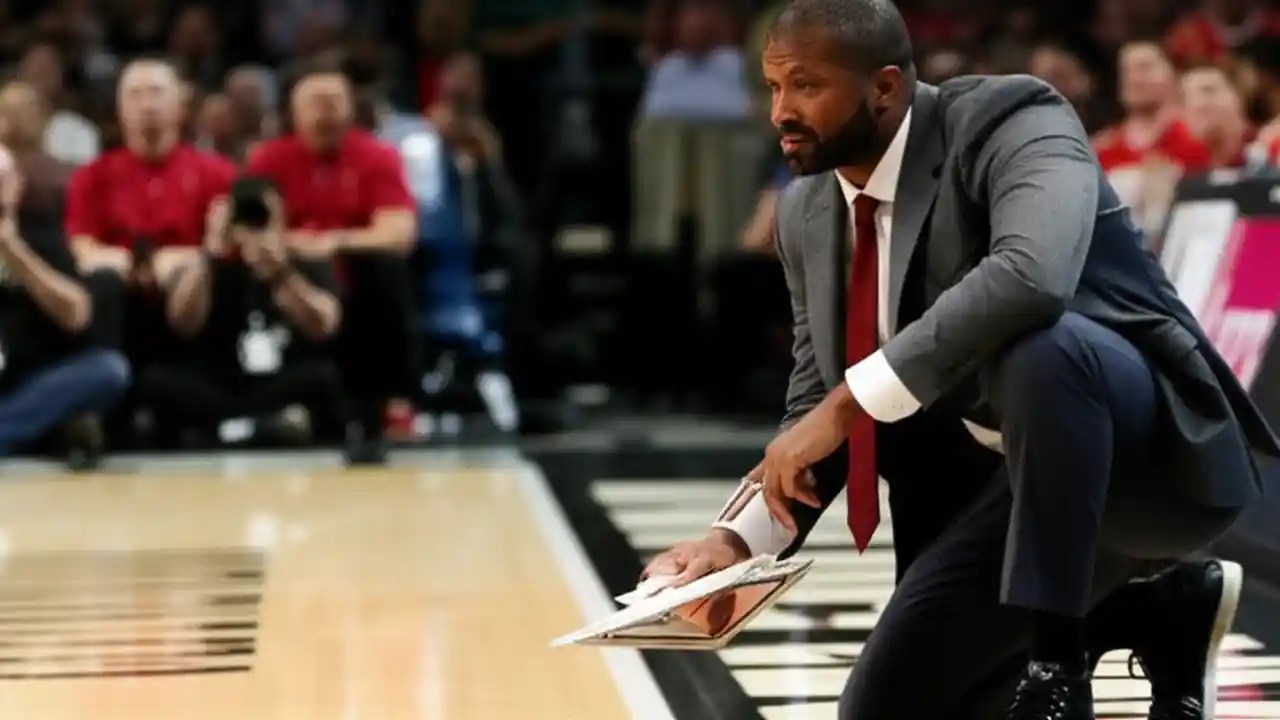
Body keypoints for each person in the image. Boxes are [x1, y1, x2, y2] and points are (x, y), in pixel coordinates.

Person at [642, 2, 1280, 719]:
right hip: (988, 490)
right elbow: (814, 402)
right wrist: (734, 539)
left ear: (884, 87)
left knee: (1045, 346)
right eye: (772, 87)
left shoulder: (1014, 120)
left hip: (1137, 455)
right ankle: (1148, 613)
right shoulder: (806, 213)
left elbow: (1031, 277)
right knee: (890, 709)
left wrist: (845, 405)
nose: (781, 111)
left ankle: (1058, 665)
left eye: (806, 86)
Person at [246, 66, 418, 463]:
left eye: (334, 102)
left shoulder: (378, 156)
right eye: (314, 103)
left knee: (386, 266)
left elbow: (399, 232)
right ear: (293, 112)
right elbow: (254, 233)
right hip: (291, 281)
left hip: (357, 283)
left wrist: (332, 242)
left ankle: (392, 402)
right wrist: (295, 248)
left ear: (351, 109)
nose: (325, 112)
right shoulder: (267, 160)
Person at [63, 58, 237, 378]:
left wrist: (184, 262)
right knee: (101, 276)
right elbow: (81, 246)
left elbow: (226, 246)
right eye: (135, 94)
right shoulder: (93, 175)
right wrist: (139, 264)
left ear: (180, 106)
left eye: (156, 93)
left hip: (192, 294)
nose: (147, 105)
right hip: (118, 296)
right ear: (119, 109)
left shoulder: (217, 174)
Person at [134, 185, 346, 448]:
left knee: (323, 377)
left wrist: (280, 272)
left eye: (262, 218)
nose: (252, 227)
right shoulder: (202, 266)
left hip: (275, 382)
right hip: (217, 383)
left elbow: (325, 325)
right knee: (157, 380)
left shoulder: (301, 261)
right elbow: (183, 324)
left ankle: (230, 430)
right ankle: (255, 428)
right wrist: (211, 254)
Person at [0, 146, 130, 469]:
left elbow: (77, 314)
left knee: (107, 370)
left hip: (31, 381)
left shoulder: (40, 233)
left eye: (1, 179)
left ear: (16, 183)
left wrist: (13, 251)